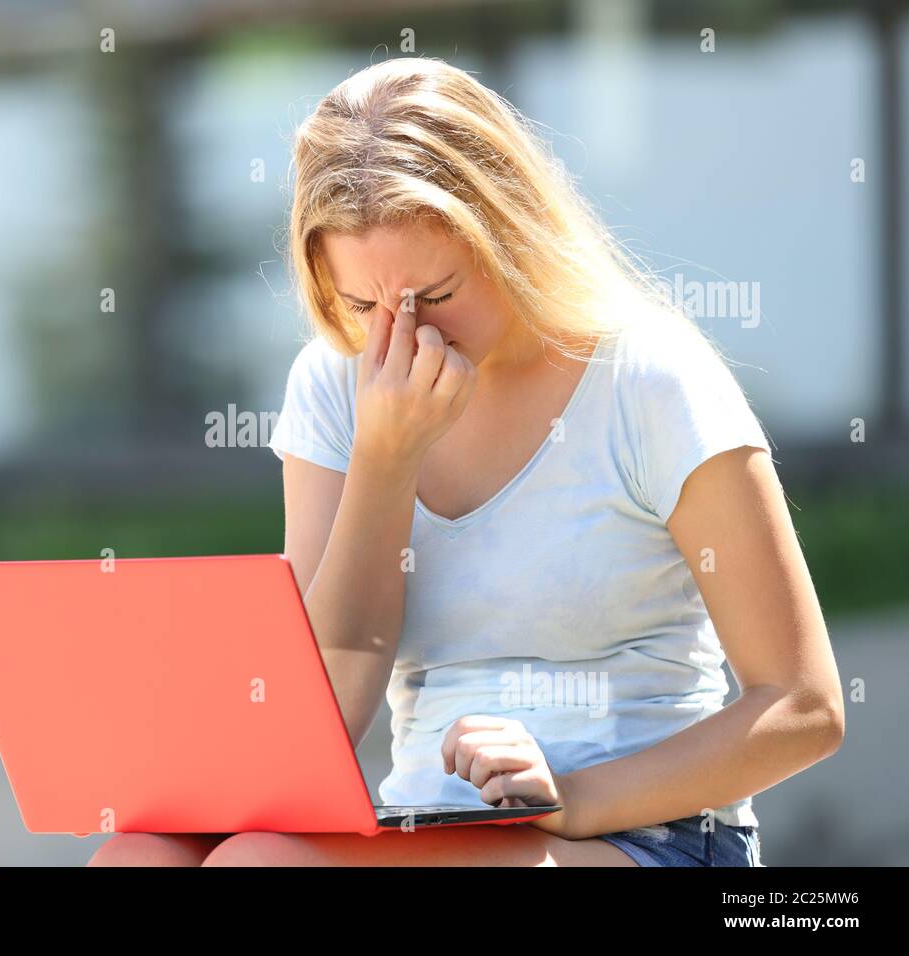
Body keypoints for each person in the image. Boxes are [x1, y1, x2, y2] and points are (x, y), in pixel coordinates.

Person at [89, 56, 841, 867]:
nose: (404, 337)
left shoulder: (648, 378)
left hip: (643, 833)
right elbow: (325, 710)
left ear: (511, 234)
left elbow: (804, 706)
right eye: (365, 306)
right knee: (140, 857)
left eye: (436, 296)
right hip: (429, 828)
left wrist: (570, 796)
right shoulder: (336, 383)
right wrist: (385, 462)